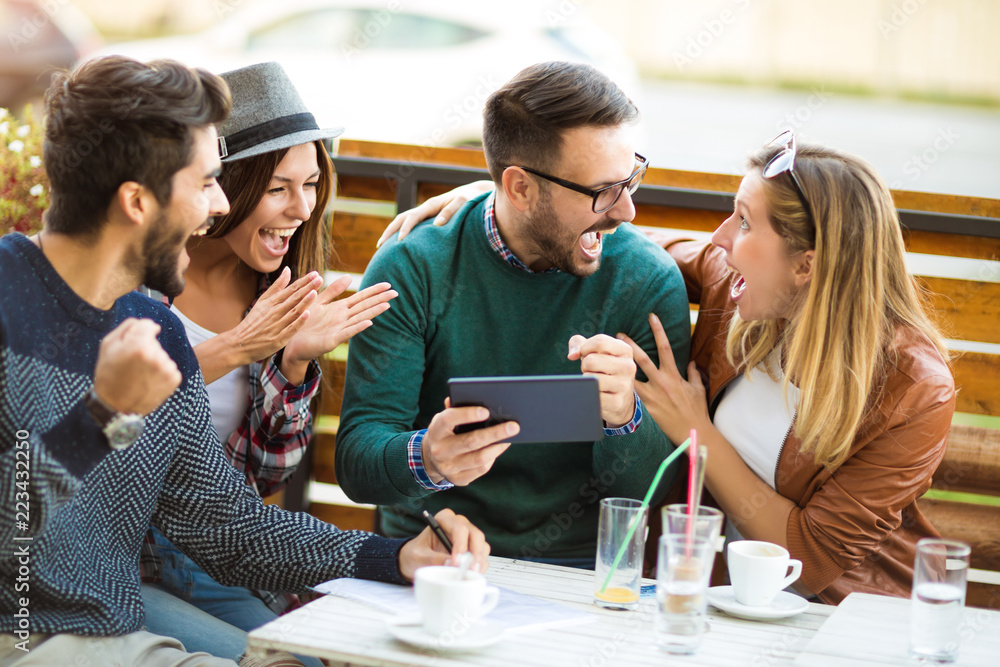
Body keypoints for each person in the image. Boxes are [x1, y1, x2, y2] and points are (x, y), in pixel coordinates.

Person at [0, 55, 488, 667]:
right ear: (136, 202)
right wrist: (107, 414)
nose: (219, 207)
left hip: (116, 633)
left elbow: (226, 524)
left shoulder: (155, 330)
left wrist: (396, 557)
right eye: (206, 183)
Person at [395, 131, 956, 604]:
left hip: (840, 617)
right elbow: (611, 240)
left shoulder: (913, 390)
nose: (720, 238)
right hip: (711, 599)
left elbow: (807, 562)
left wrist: (698, 433)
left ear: (807, 265)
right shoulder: (731, 282)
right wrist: (513, 202)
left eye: (743, 222)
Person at [335, 61, 691, 566]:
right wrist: (428, 459)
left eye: (630, 177)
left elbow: (650, 490)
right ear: (520, 188)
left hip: (577, 571)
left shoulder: (645, 280)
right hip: (434, 556)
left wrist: (623, 418)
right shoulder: (414, 264)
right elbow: (358, 463)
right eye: (602, 191)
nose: (627, 210)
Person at [137, 62, 396, 666]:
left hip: (220, 561)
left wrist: (295, 362)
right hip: (130, 561)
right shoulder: (140, 286)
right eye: (279, 188)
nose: (301, 209)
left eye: (311, 186)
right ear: (221, 184)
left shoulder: (273, 295)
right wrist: (236, 348)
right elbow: (111, 419)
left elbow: (265, 479)